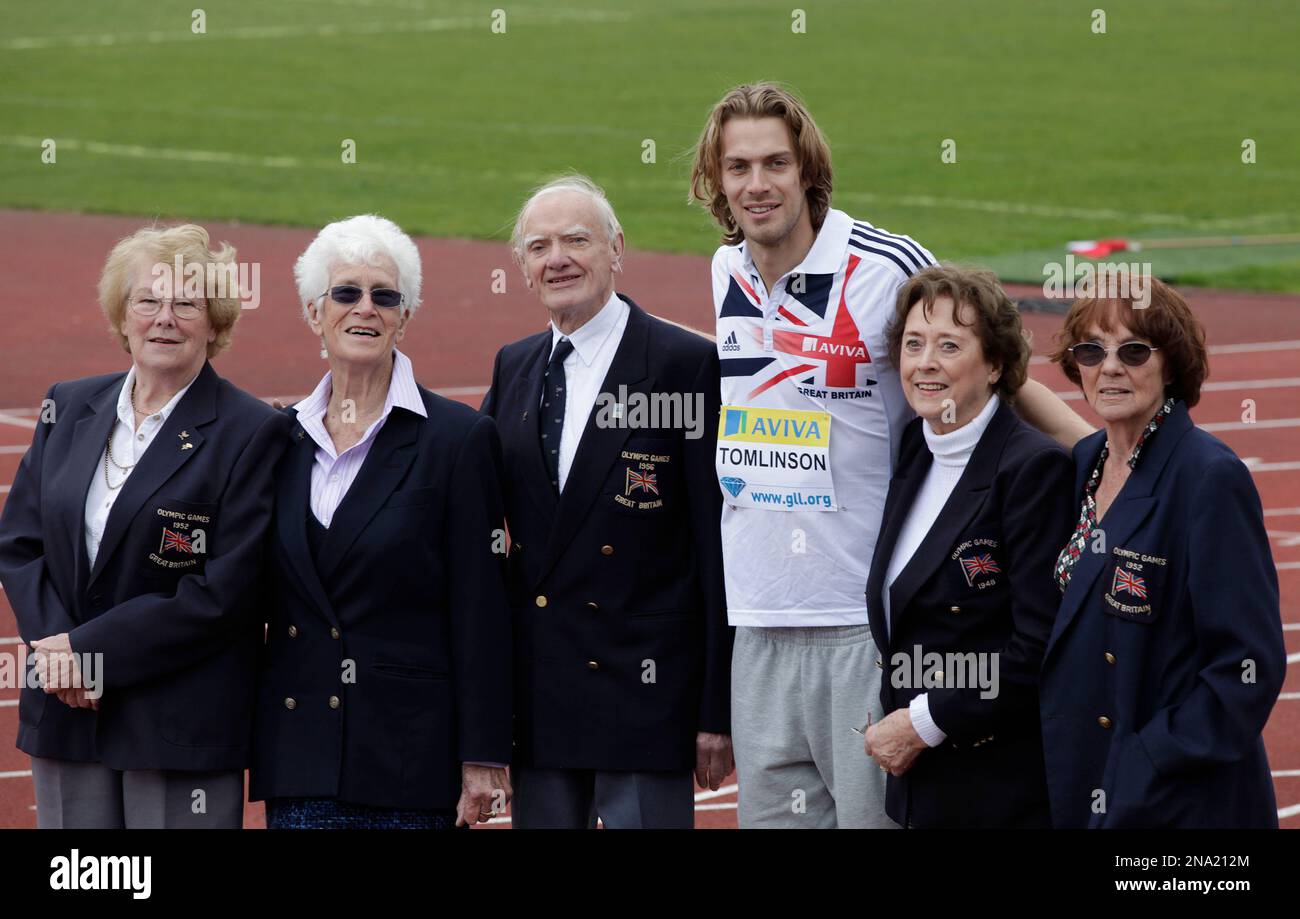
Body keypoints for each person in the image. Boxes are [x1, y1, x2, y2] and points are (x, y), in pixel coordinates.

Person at [689, 81, 1084, 828]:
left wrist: (1100, 458)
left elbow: (989, 358)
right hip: (760, 620)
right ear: (717, 179)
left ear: (808, 169)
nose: (756, 184)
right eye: (738, 167)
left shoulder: (883, 264)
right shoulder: (727, 269)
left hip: (862, 627)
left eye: (775, 163)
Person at [0, 224, 287, 828]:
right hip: (66, 713)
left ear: (215, 323)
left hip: (177, 723)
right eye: (148, 301)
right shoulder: (69, 404)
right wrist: (61, 658)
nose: (165, 318)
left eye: (187, 304)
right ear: (122, 315)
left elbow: (227, 590)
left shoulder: (252, 430)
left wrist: (89, 652)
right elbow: (21, 545)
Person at [481, 175, 732, 829]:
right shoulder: (513, 365)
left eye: (576, 240)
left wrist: (716, 708)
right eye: (538, 246)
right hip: (542, 698)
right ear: (524, 267)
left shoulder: (684, 364)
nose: (557, 258)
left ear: (616, 249)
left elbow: (715, 544)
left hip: (644, 698)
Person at [248, 215, 512, 829]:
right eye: (346, 293)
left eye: (384, 296)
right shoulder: (277, 440)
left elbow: (481, 610)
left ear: (404, 316)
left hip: (408, 760)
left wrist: (483, 755)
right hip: (301, 755)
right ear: (315, 312)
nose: (364, 308)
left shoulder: (459, 440)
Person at [1039, 278, 1285, 828]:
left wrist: (1148, 762)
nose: (1110, 367)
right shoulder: (1087, 462)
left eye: (1133, 350)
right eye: (1091, 351)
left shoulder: (1209, 478)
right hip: (1090, 782)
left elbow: (1248, 668)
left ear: (1170, 364)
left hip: (1178, 806)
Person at [862, 266, 1072, 827]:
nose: (925, 362)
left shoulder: (1031, 470)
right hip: (923, 788)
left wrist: (923, 722)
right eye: (913, 344)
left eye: (949, 345)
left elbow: (1038, 646)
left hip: (998, 790)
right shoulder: (916, 446)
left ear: (996, 364)